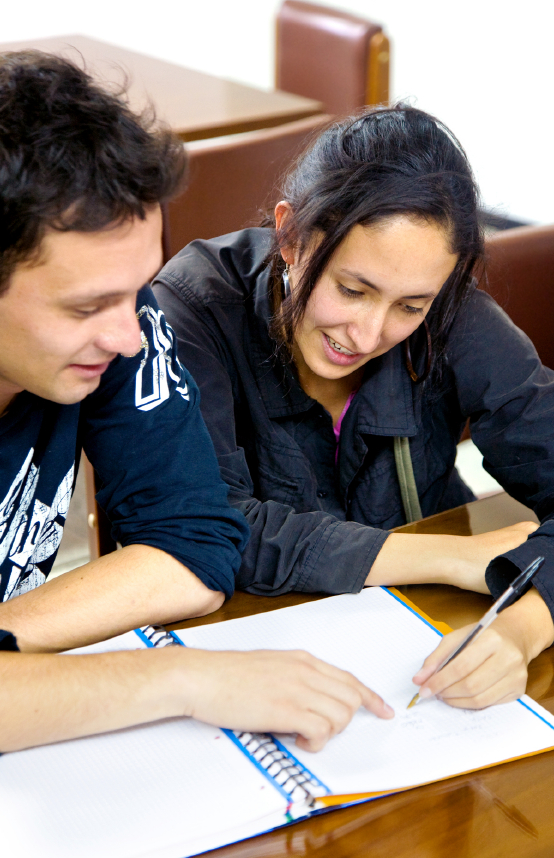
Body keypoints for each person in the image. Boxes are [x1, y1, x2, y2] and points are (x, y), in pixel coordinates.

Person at [0, 51, 393, 753]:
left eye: (138, 287)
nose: (130, 336)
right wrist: (179, 677)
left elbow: (195, 546)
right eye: (88, 305)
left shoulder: (115, 327)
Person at [153, 105, 554, 712]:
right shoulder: (192, 310)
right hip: (248, 661)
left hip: (427, 646)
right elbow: (206, 532)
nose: (367, 335)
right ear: (290, 236)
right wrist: (450, 555)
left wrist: (523, 631)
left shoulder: (448, 314)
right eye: (351, 290)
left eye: (410, 306)